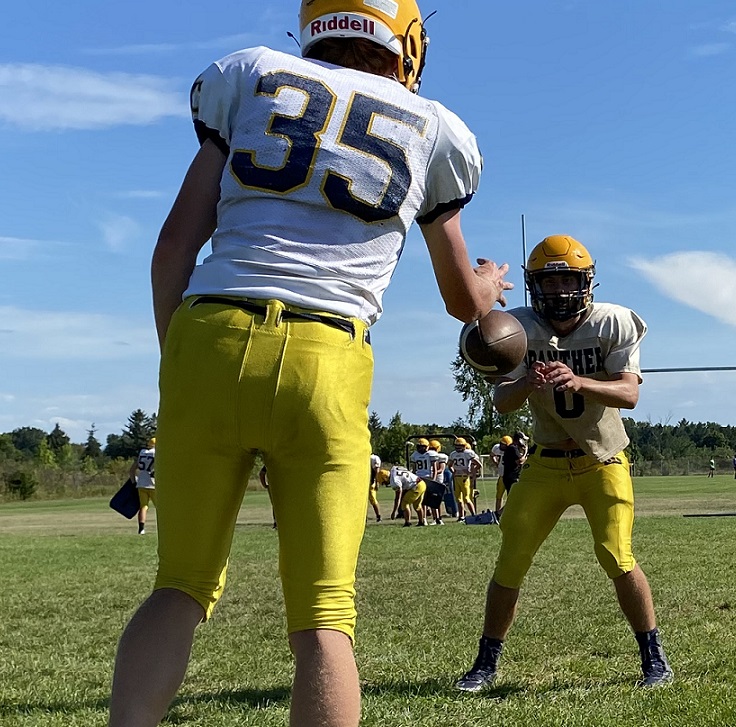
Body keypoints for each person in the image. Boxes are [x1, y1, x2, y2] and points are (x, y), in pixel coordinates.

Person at [107, 1, 512, 724]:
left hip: (210, 328)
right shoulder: (434, 128)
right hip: (326, 351)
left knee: (181, 583)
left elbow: (173, 247)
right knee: (324, 612)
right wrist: (488, 284)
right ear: (406, 42)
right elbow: (462, 301)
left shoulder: (253, 74)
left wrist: (185, 363)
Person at [456, 234, 673, 693]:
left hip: (602, 459)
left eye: (565, 280)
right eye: (548, 281)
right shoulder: (519, 328)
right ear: (536, 285)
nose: (556, 291)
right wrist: (527, 384)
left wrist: (579, 381)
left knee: (617, 554)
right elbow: (502, 402)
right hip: (545, 462)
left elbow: (630, 394)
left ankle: (653, 657)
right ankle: (485, 662)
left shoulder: (612, 322)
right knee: (511, 560)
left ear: (585, 282)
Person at [128, 437, 157, 535]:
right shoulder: (157, 453)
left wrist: (133, 482)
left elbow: (132, 470)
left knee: (143, 507)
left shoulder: (142, 453)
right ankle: (163, 527)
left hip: (141, 483)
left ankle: (141, 529)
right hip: (153, 484)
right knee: (160, 508)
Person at [449, 437, 482, 521]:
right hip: (457, 478)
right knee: (459, 499)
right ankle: (461, 516)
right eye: (457, 446)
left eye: (460, 446)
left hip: (464, 478)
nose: (458, 448)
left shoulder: (468, 453)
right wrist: (454, 472)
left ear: (464, 446)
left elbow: (479, 465)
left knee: (467, 499)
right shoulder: (453, 454)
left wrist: (471, 472)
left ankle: (474, 515)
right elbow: (449, 465)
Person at [497, 432, 526, 513]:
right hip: (511, 477)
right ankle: (499, 513)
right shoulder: (513, 448)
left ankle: (500, 513)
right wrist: (526, 453)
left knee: (514, 498)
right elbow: (519, 461)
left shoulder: (512, 448)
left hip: (509, 476)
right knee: (514, 498)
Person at [492, 435, 514, 512]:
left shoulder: (512, 450)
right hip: (501, 476)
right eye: (501, 443)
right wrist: (496, 463)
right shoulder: (496, 447)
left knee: (511, 497)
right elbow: (492, 455)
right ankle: (497, 513)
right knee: (498, 496)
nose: (502, 446)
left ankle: (504, 512)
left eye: (504, 445)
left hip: (509, 476)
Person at [259, 464, 277, 529]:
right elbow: (262, 474)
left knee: (275, 505)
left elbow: (261, 473)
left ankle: (276, 522)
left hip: (272, 486)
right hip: (283, 486)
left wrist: (265, 485)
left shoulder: (269, 463)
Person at [368, 454, 382, 523]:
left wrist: (377, 482)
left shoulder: (373, 458)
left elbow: (377, 472)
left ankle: (378, 516)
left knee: (373, 499)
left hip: (370, 482)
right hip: (364, 482)